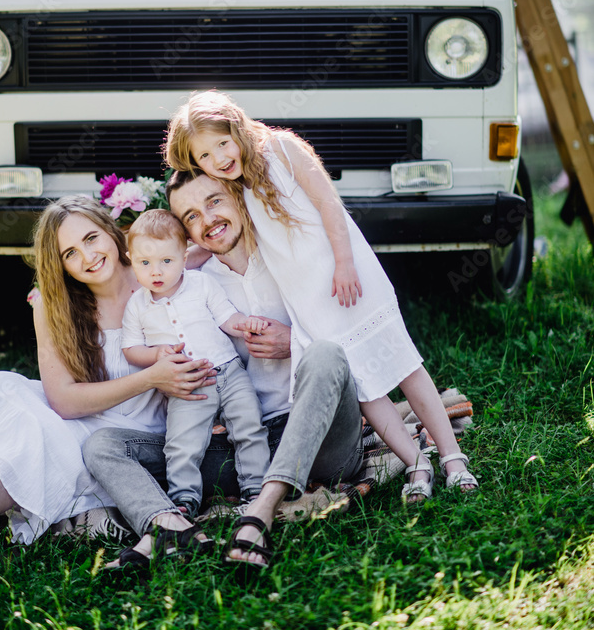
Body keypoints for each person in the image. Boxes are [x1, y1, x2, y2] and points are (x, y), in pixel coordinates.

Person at [164, 90, 479, 518]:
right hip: (308, 300)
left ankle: (451, 455)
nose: (218, 157)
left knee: (402, 364)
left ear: (237, 127)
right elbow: (208, 243)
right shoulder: (231, 189)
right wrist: (166, 264)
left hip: (344, 275)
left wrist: (345, 263)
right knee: (364, 387)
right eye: (204, 155)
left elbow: (328, 202)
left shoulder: (281, 149)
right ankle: (415, 462)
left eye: (222, 142)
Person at [84, 171, 370, 573]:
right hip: (229, 446)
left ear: (239, 197)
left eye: (215, 201)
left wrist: (295, 342)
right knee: (102, 445)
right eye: (192, 216)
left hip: (314, 440)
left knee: (323, 352)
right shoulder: (200, 279)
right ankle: (169, 523)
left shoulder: (293, 253)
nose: (207, 219)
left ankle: (260, 512)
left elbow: (356, 340)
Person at [0, 196, 216, 580]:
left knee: (35, 432)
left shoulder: (156, 270)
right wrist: (149, 377)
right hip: (81, 410)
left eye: (92, 238)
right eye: (71, 253)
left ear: (113, 232)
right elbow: (62, 400)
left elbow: (210, 249)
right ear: (60, 264)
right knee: (2, 385)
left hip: (129, 434)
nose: (89, 256)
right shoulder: (54, 303)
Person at [121, 208, 270, 519]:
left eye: (166, 261)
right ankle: (184, 498)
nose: (156, 272)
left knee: (249, 424)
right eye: (144, 263)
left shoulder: (202, 284)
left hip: (229, 372)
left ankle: (256, 488)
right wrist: (156, 353)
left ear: (184, 257)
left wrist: (246, 323)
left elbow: (226, 318)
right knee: (181, 442)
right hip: (187, 384)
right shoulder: (137, 305)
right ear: (130, 259)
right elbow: (131, 348)